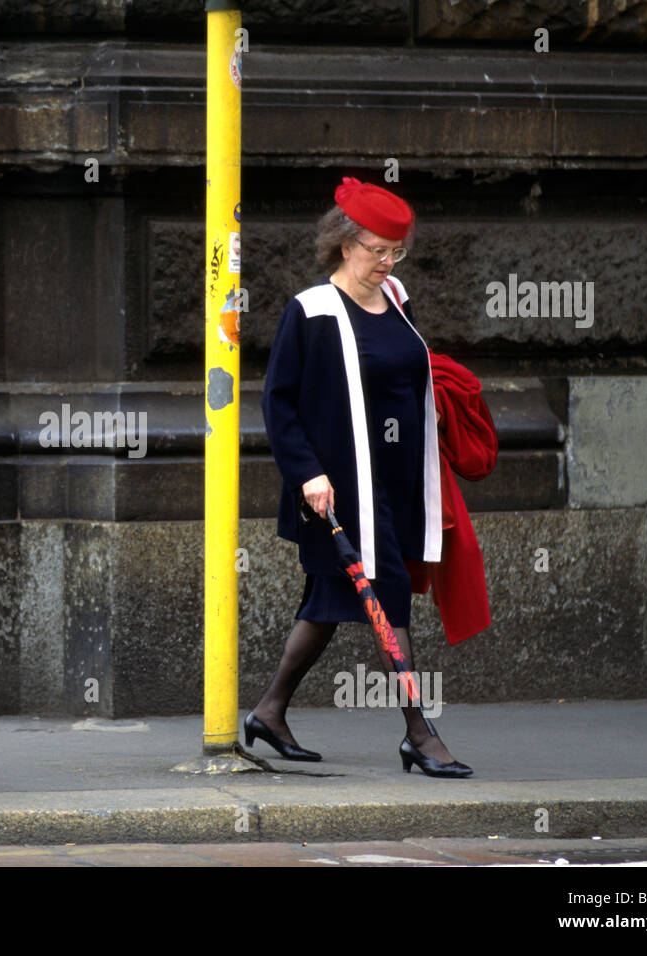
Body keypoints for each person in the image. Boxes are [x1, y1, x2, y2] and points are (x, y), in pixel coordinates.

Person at [250, 177, 472, 778]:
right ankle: (420, 734)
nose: (387, 261)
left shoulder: (396, 296)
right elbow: (278, 402)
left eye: (396, 250)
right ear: (344, 244)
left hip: (396, 483)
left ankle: (268, 713)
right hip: (338, 488)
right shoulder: (311, 311)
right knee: (387, 596)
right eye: (377, 249)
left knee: (327, 603)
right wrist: (307, 475)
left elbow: (408, 375)